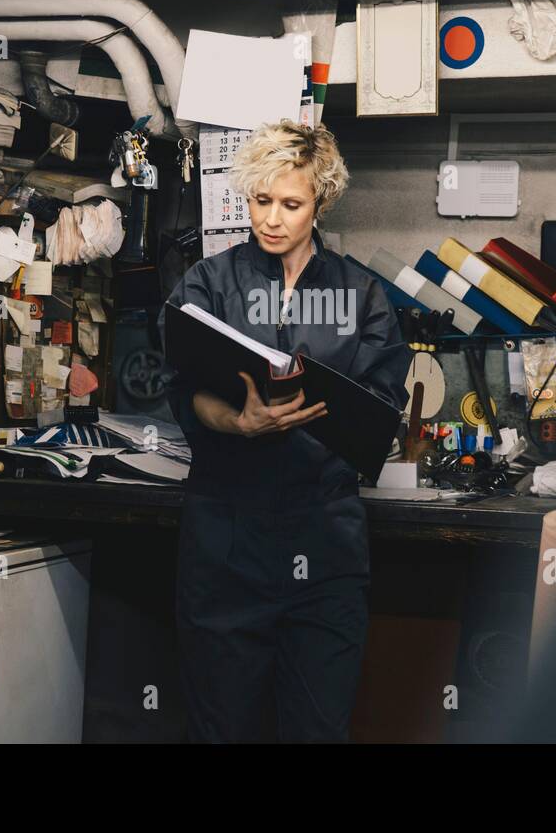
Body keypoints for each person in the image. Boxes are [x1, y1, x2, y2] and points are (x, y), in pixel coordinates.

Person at [158, 120, 411, 742]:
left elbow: (380, 408)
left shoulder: (362, 294)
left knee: (318, 730)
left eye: (291, 204)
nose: (271, 218)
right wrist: (239, 423)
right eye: (260, 201)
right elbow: (186, 393)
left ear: (320, 202)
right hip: (226, 538)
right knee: (221, 729)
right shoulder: (207, 285)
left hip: (323, 539)